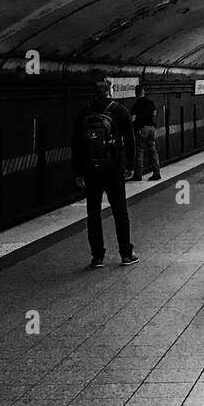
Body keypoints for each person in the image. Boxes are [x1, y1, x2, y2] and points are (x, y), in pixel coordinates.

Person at [72, 78, 139, 269]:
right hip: (113, 169)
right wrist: (130, 166)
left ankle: (97, 257)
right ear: (109, 90)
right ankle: (126, 254)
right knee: (120, 210)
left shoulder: (84, 112)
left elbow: (76, 144)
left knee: (93, 213)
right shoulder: (119, 110)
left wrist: (78, 172)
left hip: (91, 170)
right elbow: (130, 138)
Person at [131, 83, 162, 182]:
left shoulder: (136, 105)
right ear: (143, 91)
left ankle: (138, 175)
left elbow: (133, 119)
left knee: (140, 151)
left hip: (142, 129)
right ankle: (157, 173)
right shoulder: (151, 102)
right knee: (153, 150)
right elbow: (154, 114)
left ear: (136, 93)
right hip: (152, 128)